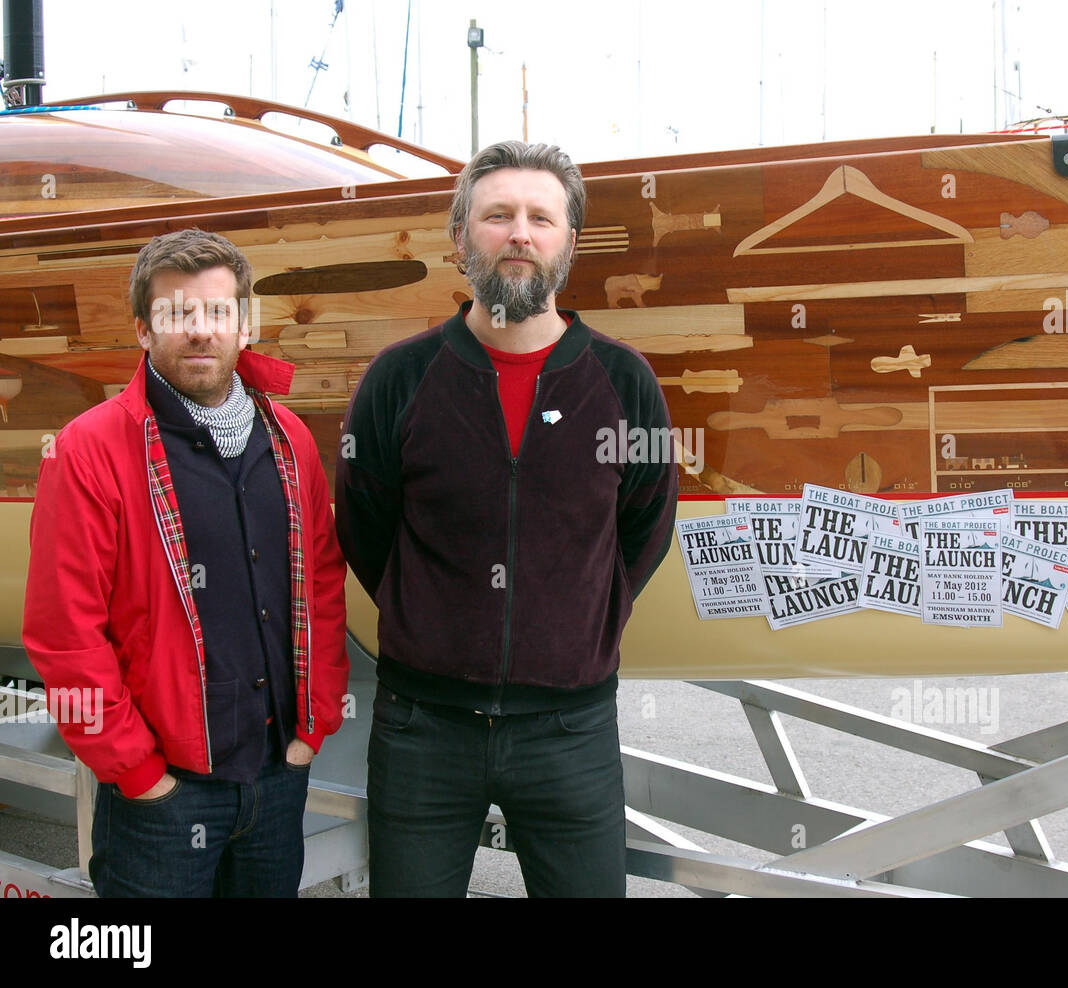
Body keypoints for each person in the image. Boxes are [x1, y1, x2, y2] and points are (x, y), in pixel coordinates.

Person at [336, 140, 678, 897]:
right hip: (423, 728)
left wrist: (580, 623)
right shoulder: (400, 378)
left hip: (571, 731)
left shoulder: (624, 383)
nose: (519, 232)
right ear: (462, 240)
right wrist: (425, 614)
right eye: (497, 215)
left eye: (539, 217)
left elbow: (645, 527)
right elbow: (364, 526)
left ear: (568, 244)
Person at [22, 228, 351, 896]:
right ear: (144, 330)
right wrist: (140, 775)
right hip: (162, 802)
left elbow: (320, 584)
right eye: (177, 314)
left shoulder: (288, 442)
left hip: (276, 778)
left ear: (242, 325)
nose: (200, 330)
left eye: (217, 312)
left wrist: (311, 731)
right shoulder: (90, 451)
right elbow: (65, 632)